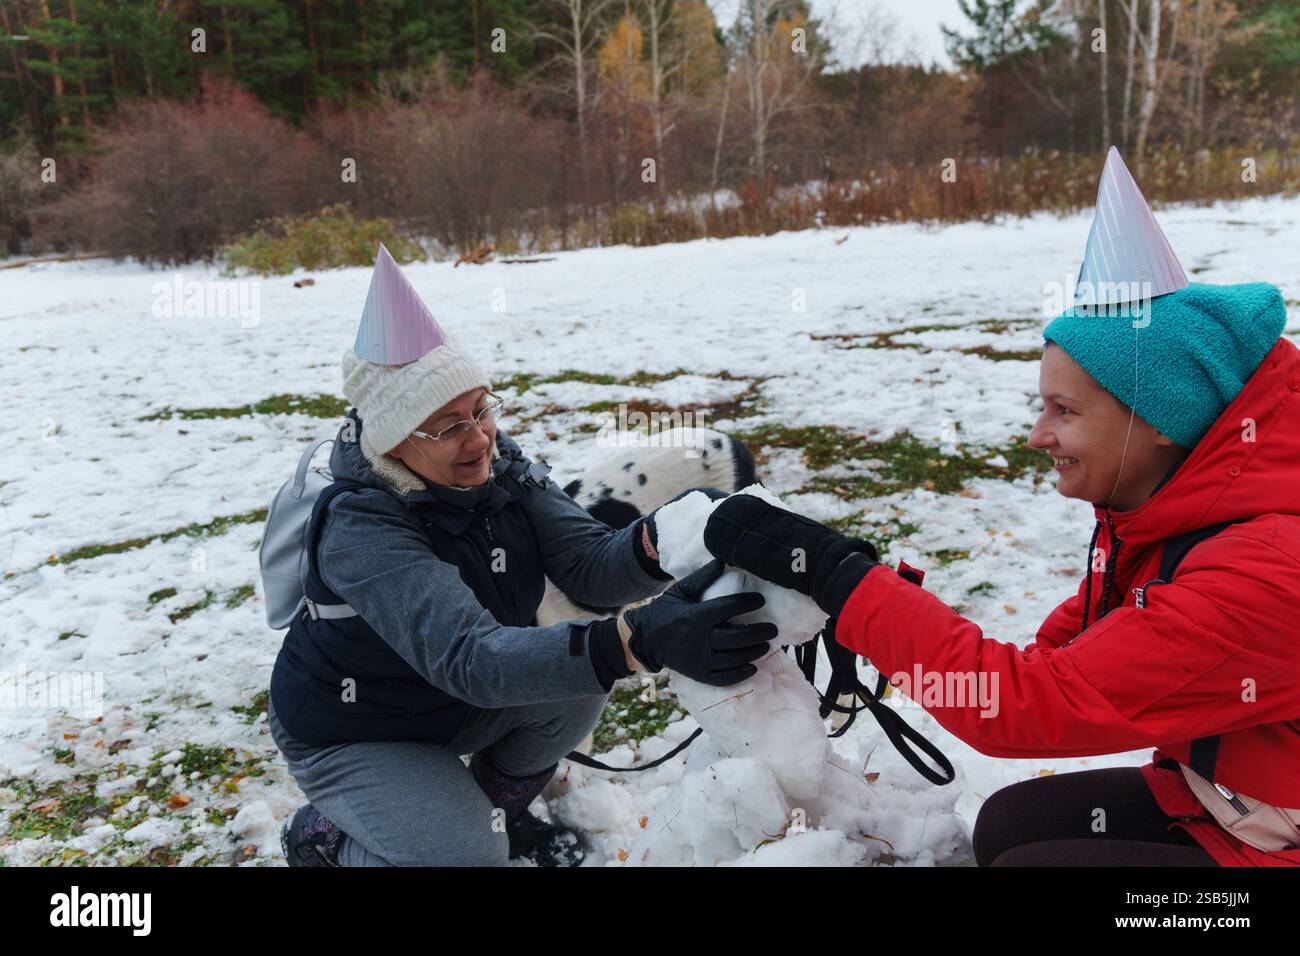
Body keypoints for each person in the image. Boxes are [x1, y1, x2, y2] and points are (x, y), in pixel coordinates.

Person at [703, 275, 1300, 866]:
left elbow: (1024, 704)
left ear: (1164, 422)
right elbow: (1059, 657)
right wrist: (860, 602)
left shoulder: (1262, 569)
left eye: (1064, 411)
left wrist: (846, 582)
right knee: (1010, 826)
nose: (1039, 435)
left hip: (1273, 835)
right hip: (1231, 807)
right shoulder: (1171, 515)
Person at [268, 246, 774, 867]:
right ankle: (323, 838)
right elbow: (469, 658)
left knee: (573, 691)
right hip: (356, 727)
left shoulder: (493, 462)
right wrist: (638, 640)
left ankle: (491, 812)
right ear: (394, 439)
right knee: (465, 857)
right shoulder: (362, 527)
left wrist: (684, 529)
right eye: (448, 425)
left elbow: (587, 563)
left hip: (446, 702)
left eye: (481, 408)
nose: (479, 437)